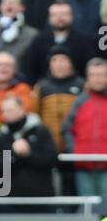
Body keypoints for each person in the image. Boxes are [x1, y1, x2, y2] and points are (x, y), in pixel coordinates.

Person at [0, 95, 57, 212]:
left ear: (21, 110)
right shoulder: (1, 137)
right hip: (10, 200)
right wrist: (14, 154)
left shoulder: (41, 131)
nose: (5, 114)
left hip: (41, 198)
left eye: (9, 110)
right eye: (3, 111)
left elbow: (51, 160)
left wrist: (29, 154)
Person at [32, 45, 84, 198]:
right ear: (49, 64)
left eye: (64, 60)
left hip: (74, 148)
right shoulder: (42, 87)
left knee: (73, 187)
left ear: (71, 63)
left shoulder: (81, 85)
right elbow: (35, 116)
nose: (59, 64)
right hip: (49, 148)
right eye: (55, 60)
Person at [63, 58, 107, 206]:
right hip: (84, 166)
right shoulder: (80, 102)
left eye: (101, 74)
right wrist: (74, 150)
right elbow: (67, 129)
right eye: (93, 75)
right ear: (88, 77)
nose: (97, 79)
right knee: (88, 209)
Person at [22, 1, 98, 85]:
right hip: (45, 89)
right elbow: (30, 69)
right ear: (49, 18)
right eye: (55, 15)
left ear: (72, 16)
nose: (59, 18)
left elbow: (90, 67)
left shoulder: (84, 40)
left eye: (64, 14)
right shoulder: (39, 40)